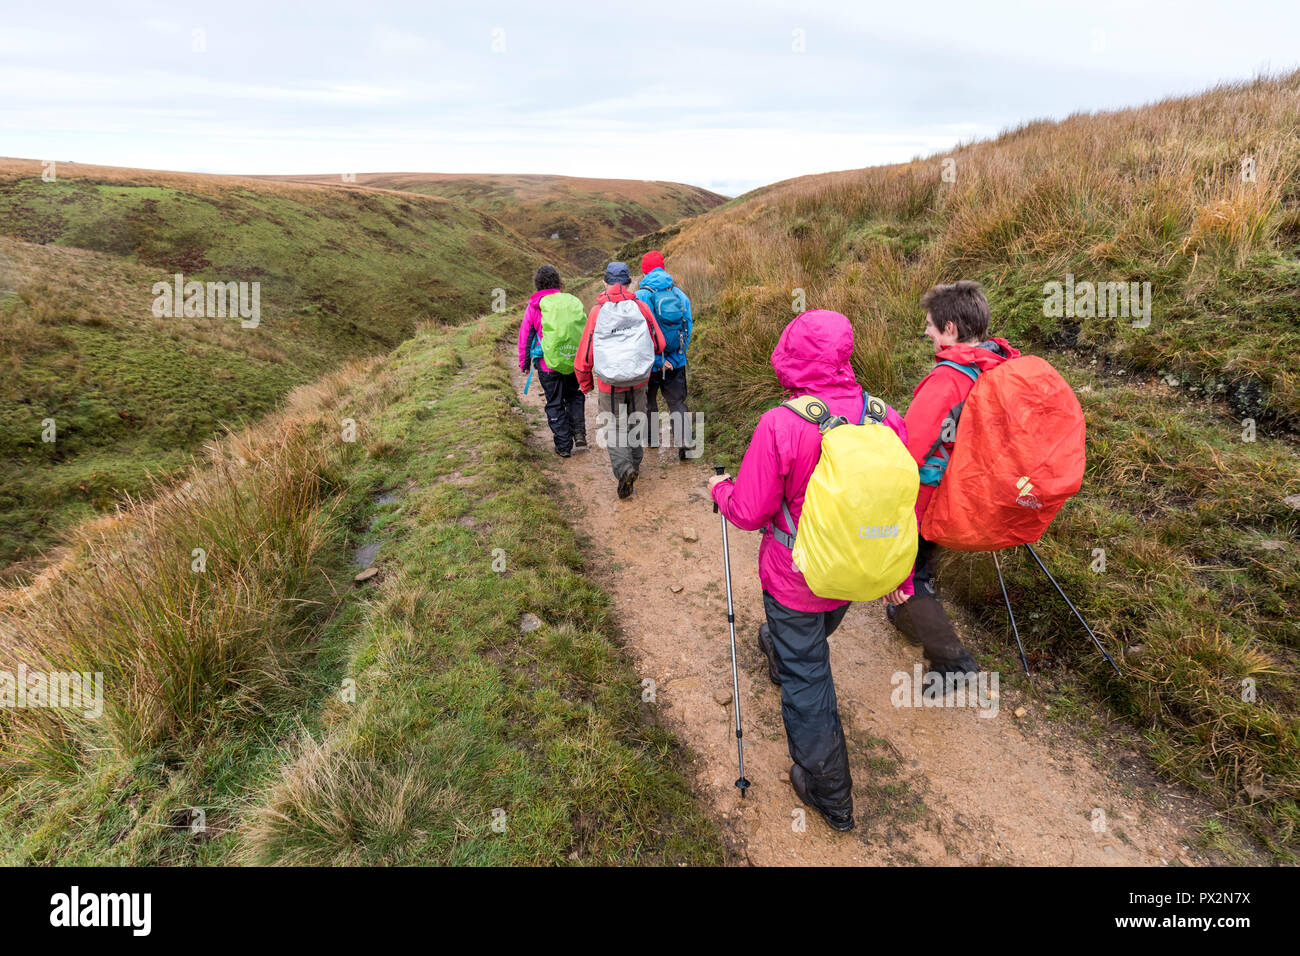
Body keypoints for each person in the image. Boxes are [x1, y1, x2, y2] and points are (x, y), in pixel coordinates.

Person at [708, 309, 911, 833]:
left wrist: (719, 491)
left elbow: (750, 512)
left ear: (790, 353)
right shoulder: (885, 417)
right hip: (860, 568)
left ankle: (829, 791)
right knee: (806, 640)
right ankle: (779, 648)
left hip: (797, 576)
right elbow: (898, 507)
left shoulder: (783, 422)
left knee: (808, 676)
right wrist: (900, 577)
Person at [892, 280, 1020, 675]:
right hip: (966, 489)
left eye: (930, 325)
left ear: (950, 328)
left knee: (911, 574)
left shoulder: (948, 379)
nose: (926, 332)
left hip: (930, 494)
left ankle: (952, 661)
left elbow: (910, 448)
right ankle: (909, 622)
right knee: (924, 565)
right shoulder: (996, 365)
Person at [574, 261, 666, 499]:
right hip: (638, 379)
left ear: (605, 283)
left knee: (613, 427)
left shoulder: (597, 311)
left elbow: (585, 354)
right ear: (628, 283)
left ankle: (625, 469)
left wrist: (585, 383)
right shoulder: (640, 306)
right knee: (635, 421)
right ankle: (634, 465)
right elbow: (659, 343)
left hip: (609, 383)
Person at [517, 264, 587, 457]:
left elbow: (525, 336)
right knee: (574, 395)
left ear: (537, 284)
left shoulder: (535, 305)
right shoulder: (570, 301)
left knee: (555, 401)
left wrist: (524, 362)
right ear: (558, 281)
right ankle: (579, 432)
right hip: (572, 360)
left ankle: (563, 446)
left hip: (548, 365)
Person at [634, 250, 693, 460]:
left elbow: (640, 334)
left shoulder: (640, 297)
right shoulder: (678, 294)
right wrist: (677, 355)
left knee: (649, 402)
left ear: (644, 270)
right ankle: (684, 439)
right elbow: (688, 325)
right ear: (663, 267)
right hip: (676, 361)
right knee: (677, 402)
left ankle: (651, 439)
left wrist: (658, 360)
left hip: (650, 363)